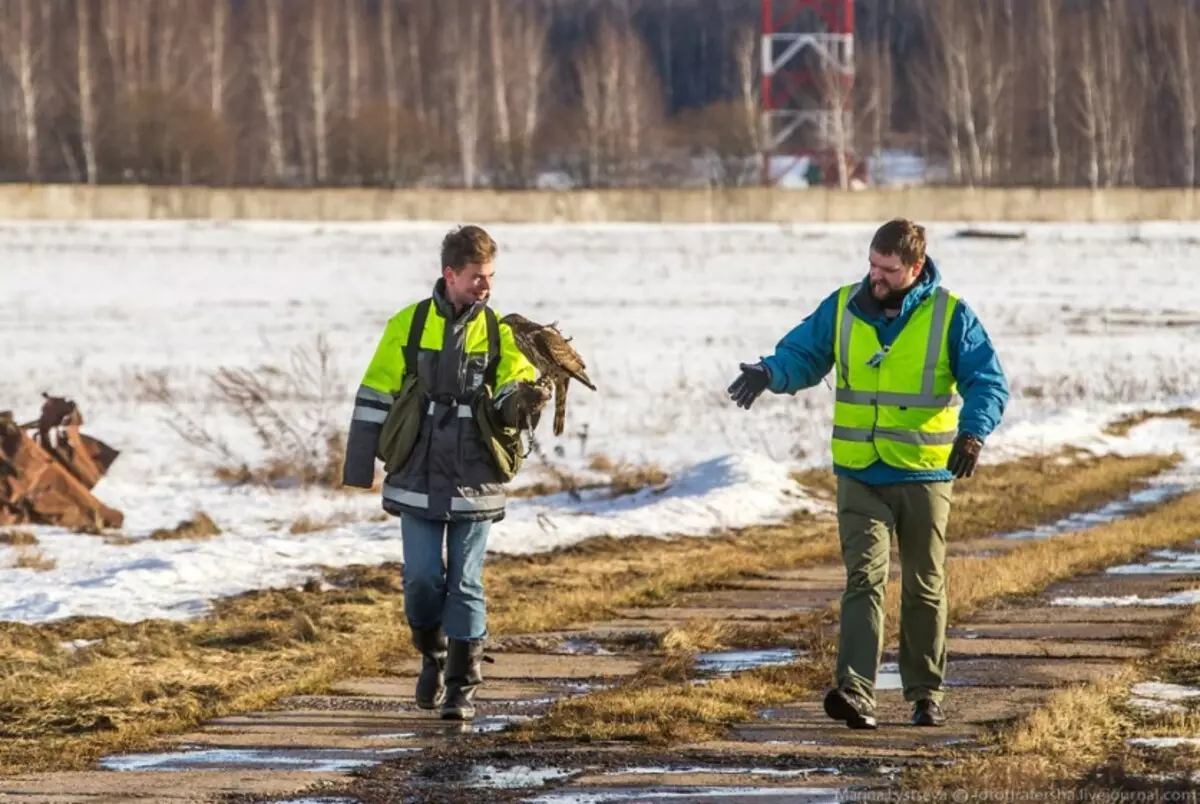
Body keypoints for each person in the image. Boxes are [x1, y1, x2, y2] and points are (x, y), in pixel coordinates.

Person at [727, 219, 1009, 729]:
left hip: (924, 473)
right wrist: (771, 371)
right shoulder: (842, 306)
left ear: (915, 268)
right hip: (859, 472)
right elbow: (804, 353)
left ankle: (926, 693)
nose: (875, 277)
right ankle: (856, 692)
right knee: (864, 580)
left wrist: (973, 433)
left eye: (888, 269)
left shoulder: (950, 315)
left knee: (924, 584)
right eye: (872, 265)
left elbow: (987, 381)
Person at [342, 225, 543, 721]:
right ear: (450, 274)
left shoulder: (498, 332)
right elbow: (374, 394)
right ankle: (431, 656)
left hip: (476, 475)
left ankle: (461, 687)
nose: (486, 287)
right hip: (416, 470)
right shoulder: (407, 326)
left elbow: (510, 390)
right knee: (423, 579)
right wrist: (358, 464)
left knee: (466, 582)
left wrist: (524, 400)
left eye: (491, 277)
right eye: (477, 277)